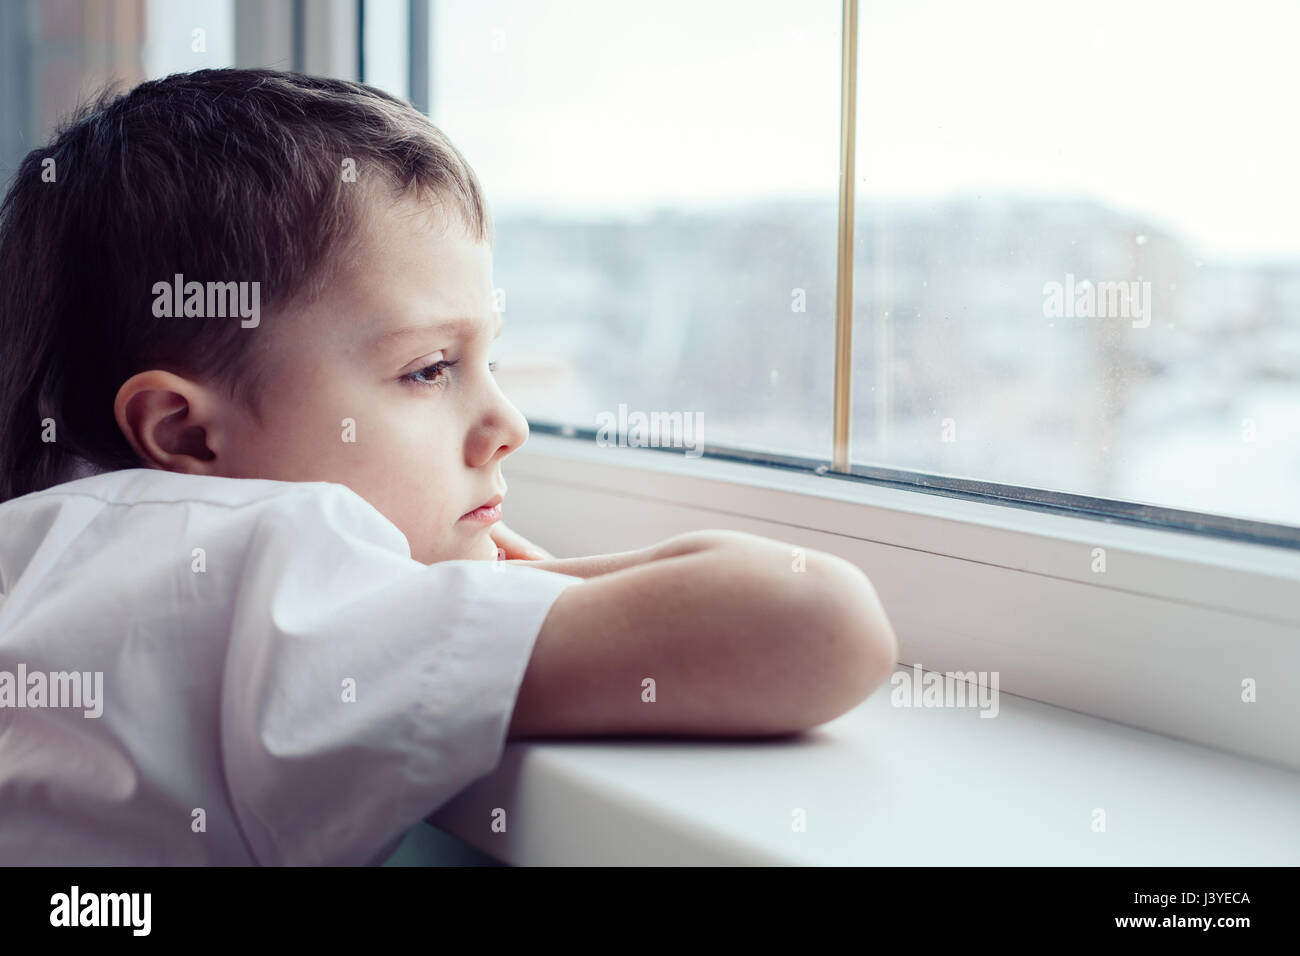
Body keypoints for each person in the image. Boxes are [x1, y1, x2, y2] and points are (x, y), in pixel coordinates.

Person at [0, 69, 897, 865]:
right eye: (429, 369)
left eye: (490, 362)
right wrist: (538, 584)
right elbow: (820, 623)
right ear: (187, 436)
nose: (507, 424)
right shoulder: (260, 569)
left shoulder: (52, 546)